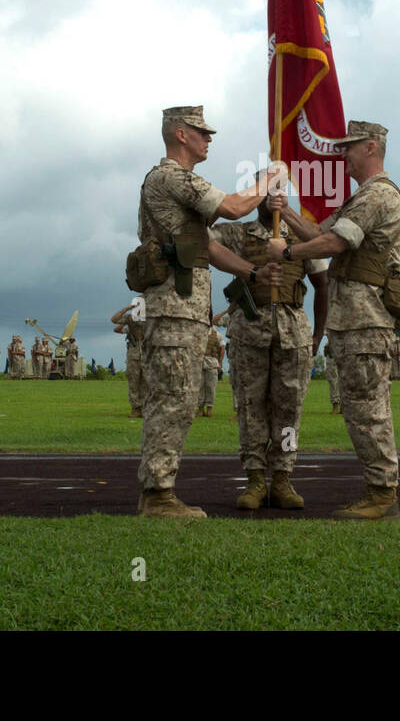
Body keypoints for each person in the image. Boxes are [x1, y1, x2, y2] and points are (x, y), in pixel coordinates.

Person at [130, 105, 286, 518]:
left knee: (179, 397)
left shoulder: (177, 183)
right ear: (180, 134)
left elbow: (210, 248)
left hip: (185, 308)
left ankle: (158, 491)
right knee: (173, 398)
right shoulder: (171, 177)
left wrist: (252, 271)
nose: (208, 139)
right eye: (202, 132)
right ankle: (159, 495)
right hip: (174, 308)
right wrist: (269, 178)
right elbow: (234, 208)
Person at [268, 120, 400, 521]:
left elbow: (334, 243)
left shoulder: (377, 196)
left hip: (366, 321)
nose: (342, 155)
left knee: (369, 409)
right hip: (353, 322)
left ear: (370, 147)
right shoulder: (360, 198)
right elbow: (317, 230)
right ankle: (378, 491)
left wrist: (287, 254)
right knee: (358, 407)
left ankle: (382, 494)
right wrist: (287, 213)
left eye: (349, 148)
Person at [211, 197, 329, 509]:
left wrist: (318, 334)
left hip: (293, 332)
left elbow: (322, 283)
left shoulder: (300, 235)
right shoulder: (238, 234)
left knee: (289, 407)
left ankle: (282, 478)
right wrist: (231, 205)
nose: (272, 198)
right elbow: (202, 236)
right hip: (249, 331)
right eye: (264, 192)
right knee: (250, 407)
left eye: (278, 190)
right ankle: (254, 480)